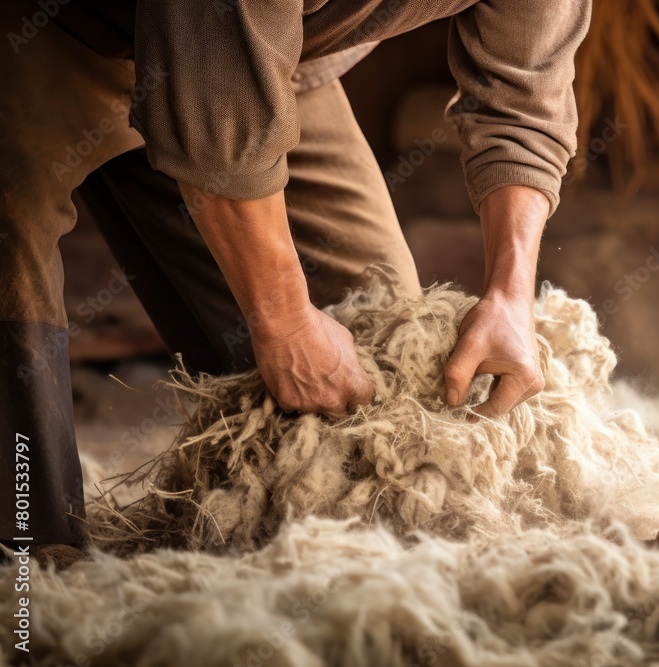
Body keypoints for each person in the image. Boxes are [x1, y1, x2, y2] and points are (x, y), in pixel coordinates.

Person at [0, 0, 591, 559]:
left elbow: (526, 92)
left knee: (379, 385)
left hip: (268, 64)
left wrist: (510, 296)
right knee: (11, 249)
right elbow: (209, 59)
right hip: (54, 30)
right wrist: (281, 320)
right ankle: (25, 555)